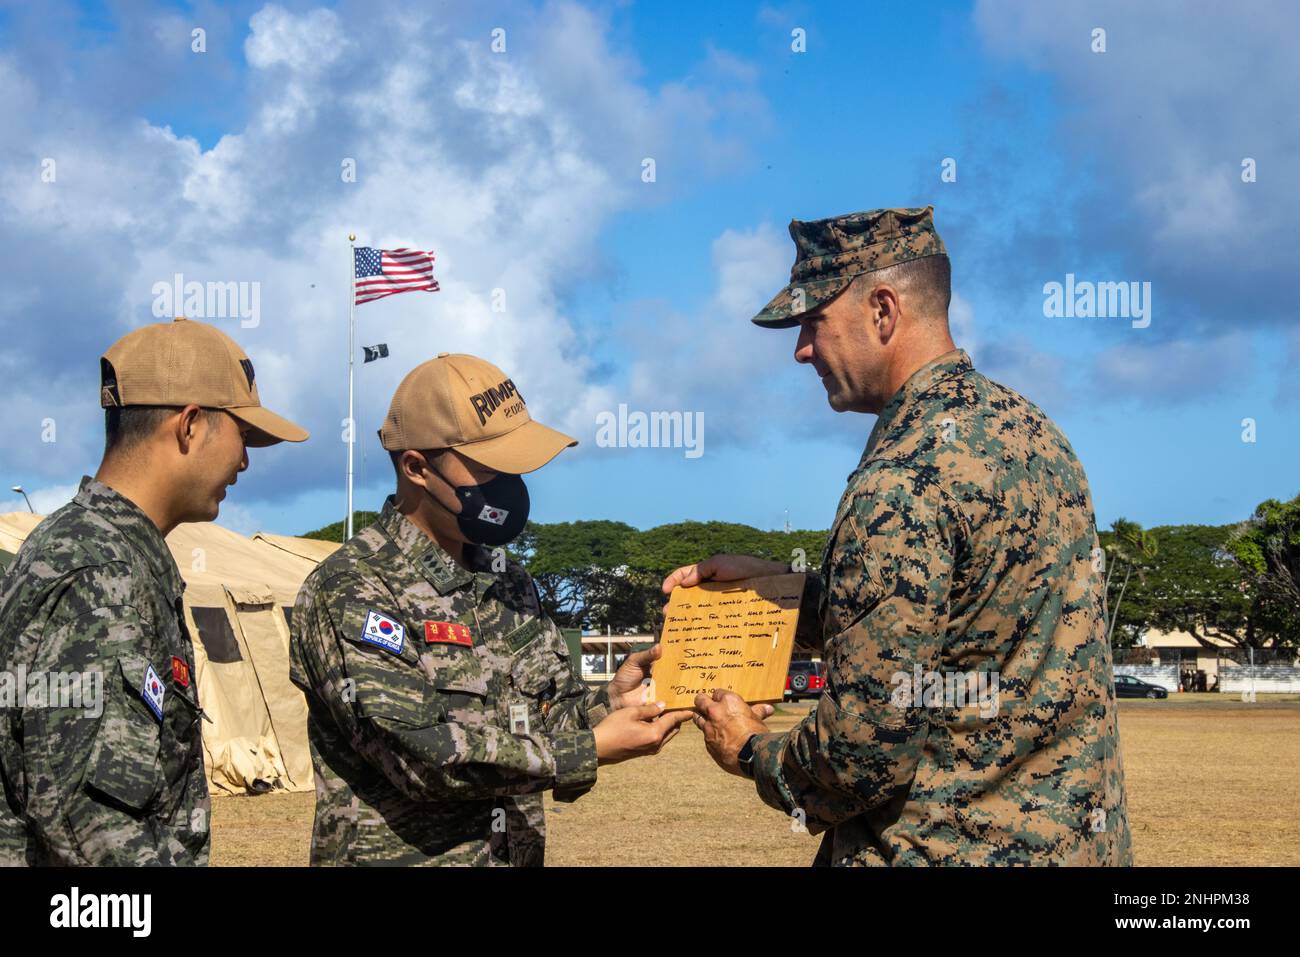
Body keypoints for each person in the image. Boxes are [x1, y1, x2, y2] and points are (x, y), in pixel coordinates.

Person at [666, 207, 1133, 865]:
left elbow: (859, 754)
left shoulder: (900, 477)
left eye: (813, 321)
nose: (801, 349)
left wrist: (750, 749)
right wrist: (778, 592)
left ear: (883, 311)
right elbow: (961, 626)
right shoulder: (1036, 435)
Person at [289, 353, 691, 865]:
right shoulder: (353, 588)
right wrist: (587, 751)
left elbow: (538, 718)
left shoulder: (509, 582)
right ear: (416, 467)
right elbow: (421, 755)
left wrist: (609, 705)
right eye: (488, 466)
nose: (508, 482)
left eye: (513, 465)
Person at [0, 318, 308, 865]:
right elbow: (96, 832)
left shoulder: (118, 558)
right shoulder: (98, 570)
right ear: (190, 426)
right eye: (242, 436)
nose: (244, 461)